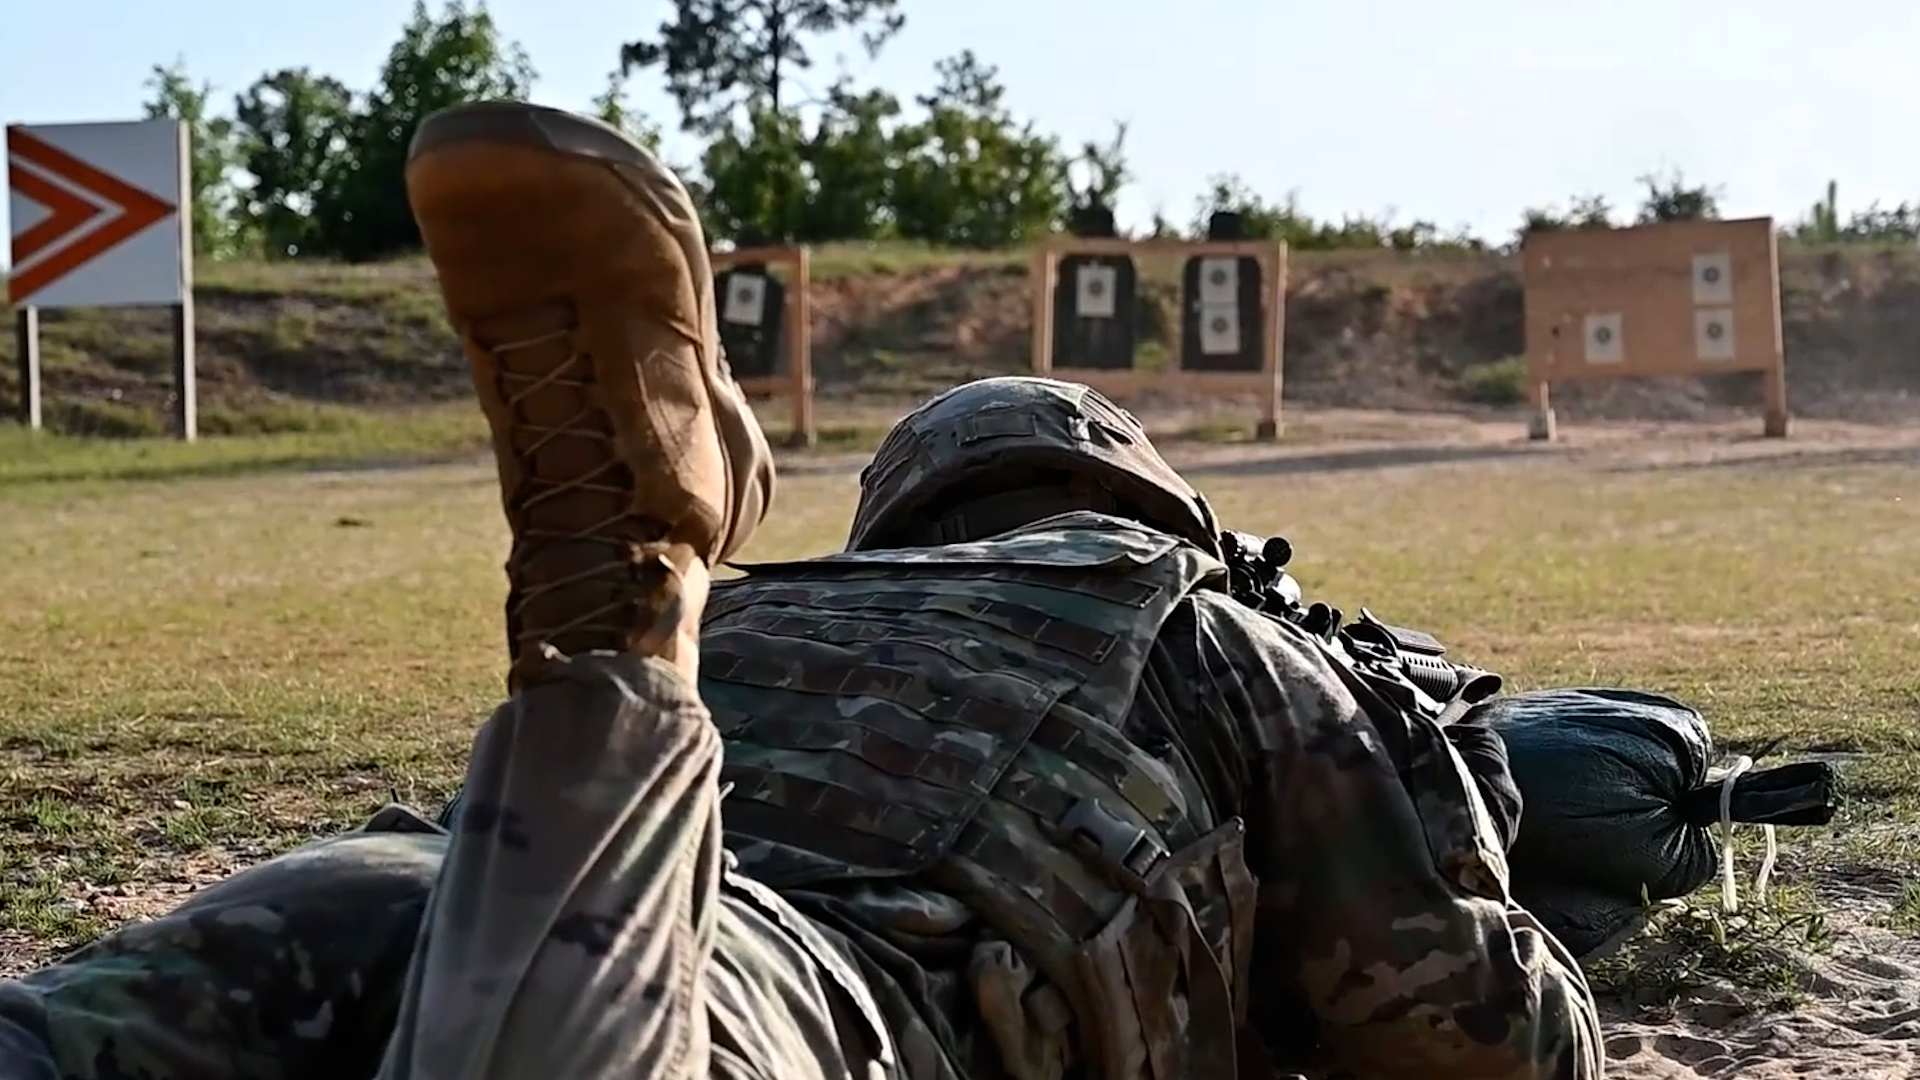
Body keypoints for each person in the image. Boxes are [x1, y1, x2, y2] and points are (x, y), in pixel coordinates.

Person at [0, 100, 1601, 1080]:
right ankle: (608, 636)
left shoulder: (768, 609)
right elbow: (1456, 1035)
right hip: (772, 993)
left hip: (399, 889)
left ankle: (615, 647)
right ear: (1151, 507)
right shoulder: (1199, 625)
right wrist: (1473, 826)